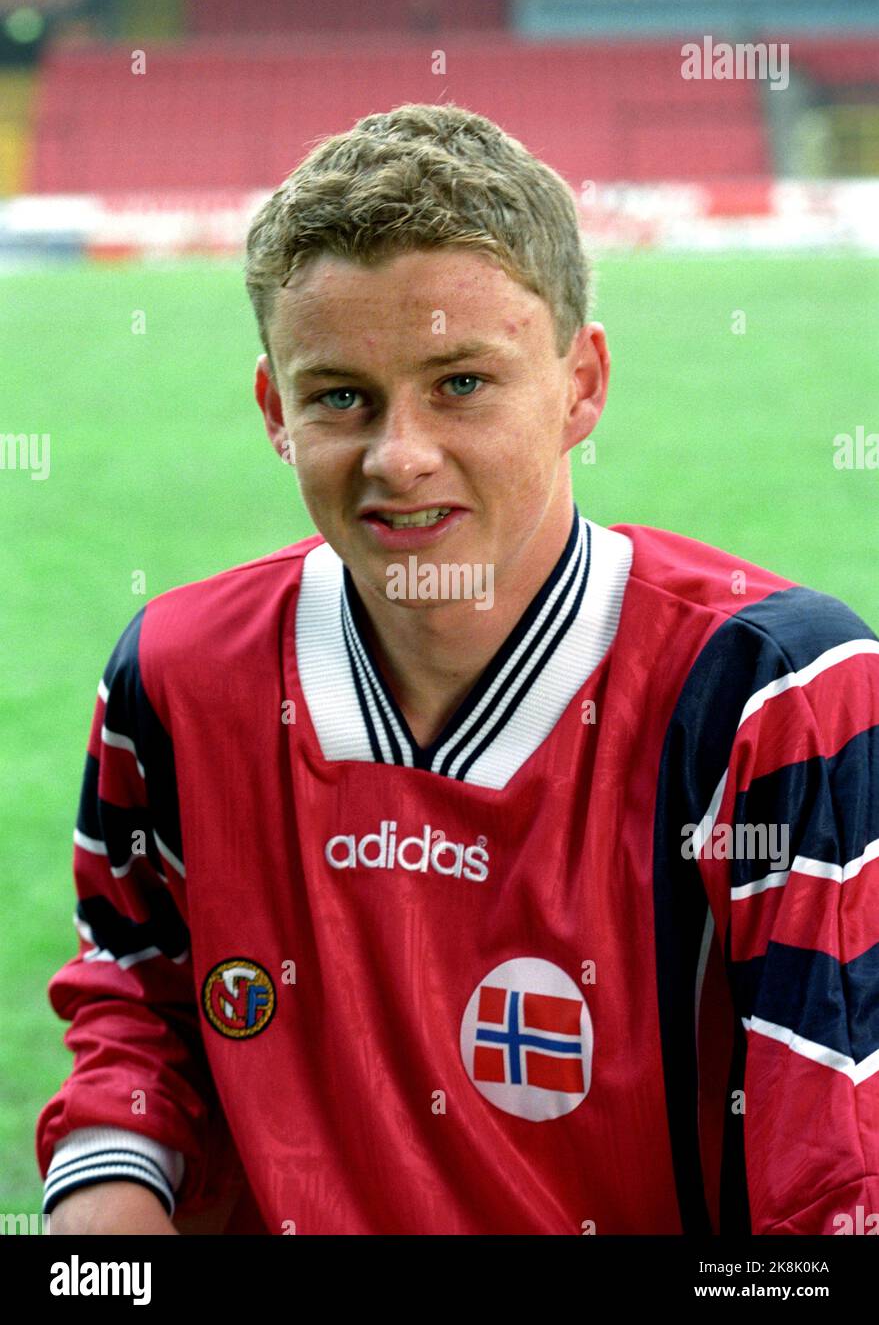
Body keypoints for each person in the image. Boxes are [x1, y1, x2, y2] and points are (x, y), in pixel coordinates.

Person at [39, 103, 879, 1235]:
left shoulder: (777, 697)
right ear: (274, 411)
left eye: (461, 383)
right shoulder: (175, 676)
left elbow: (835, 1188)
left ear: (582, 384)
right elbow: (136, 1015)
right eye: (341, 395)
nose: (400, 456)